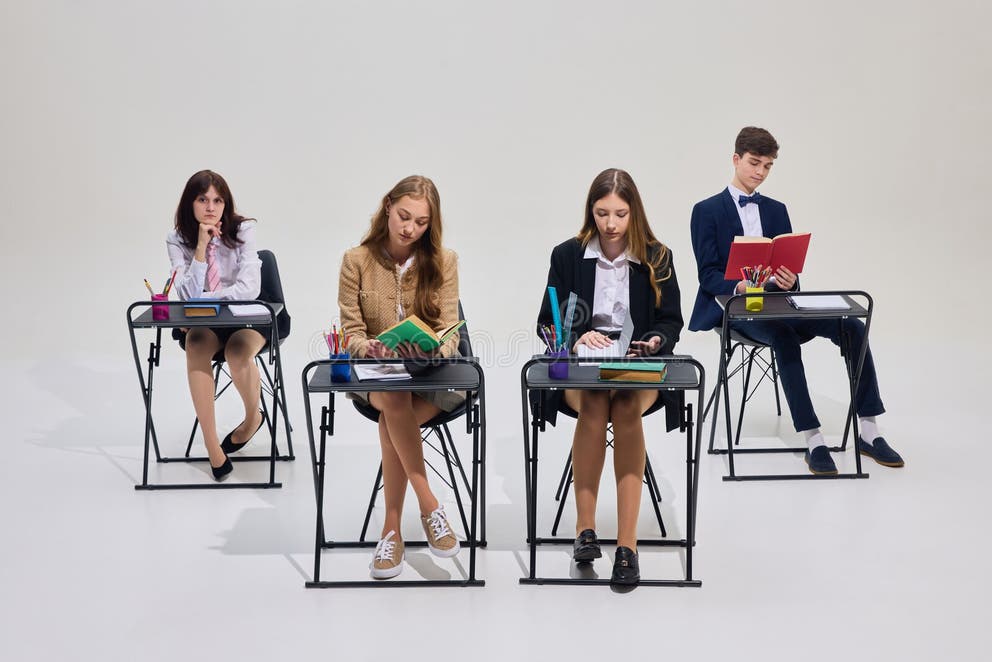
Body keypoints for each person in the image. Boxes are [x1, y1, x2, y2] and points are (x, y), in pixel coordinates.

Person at [688, 126, 904, 474]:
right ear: (736, 159)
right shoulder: (706, 210)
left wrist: (790, 279)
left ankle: (869, 429)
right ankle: (813, 437)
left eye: (768, 166)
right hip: (737, 309)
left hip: (781, 302)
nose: (760, 172)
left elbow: (787, 266)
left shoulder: (777, 209)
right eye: (754, 163)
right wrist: (741, 286)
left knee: (851, 325)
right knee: (783, 337)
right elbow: (708, 275)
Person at [536, 168, 683, 586]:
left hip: (637, 368)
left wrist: (653, 341)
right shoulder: (567, 255)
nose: (611, 224)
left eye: (620, 213)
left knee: (624, 405)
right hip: (585, 369)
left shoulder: (657, 256)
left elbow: (671, 322)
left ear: (634, 212)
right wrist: (579, 338)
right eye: (602, 213)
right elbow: (547, 323)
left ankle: (627, 546)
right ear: (591, 212)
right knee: (598, 403)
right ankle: (585, 531)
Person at [338, 174, 464, 580]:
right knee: (393, 400)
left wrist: (429, 348)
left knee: (394, 420)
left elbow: (451, 333)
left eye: (421, 222)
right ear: (388, 206)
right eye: (404, 216)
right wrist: (369, 348)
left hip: (429, 378)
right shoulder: (356, 260)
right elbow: (351, 333)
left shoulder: (444, 261)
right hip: (377, 376)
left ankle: (391, 532)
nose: (410, 228)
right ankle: (430, 506)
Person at [166, 169, 266, 481]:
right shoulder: (176, 239)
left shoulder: (244, 230)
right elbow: (185, 294)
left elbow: (250, 289)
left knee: (237, 353)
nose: (211, 207)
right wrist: (199, 247)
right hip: (205, 324)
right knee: (194, 344)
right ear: (190, 203)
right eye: (203, 199)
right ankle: (212, 448)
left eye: (217, 200)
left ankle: (253, 419)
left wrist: (210, 297)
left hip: (245, 318)